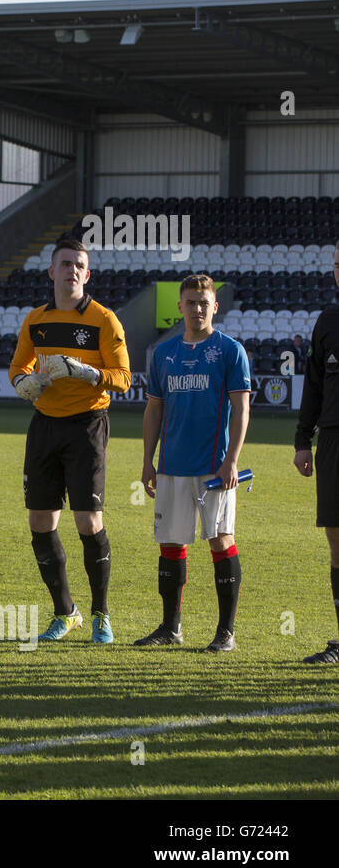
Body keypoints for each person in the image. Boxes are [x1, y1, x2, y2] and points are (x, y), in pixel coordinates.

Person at [9, 238, 131, 643]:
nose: (72, 270)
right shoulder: (36, 320)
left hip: (87, 426)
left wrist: (88, 373)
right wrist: (25, 382)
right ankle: (66, 612)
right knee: (40, 522)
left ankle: (101, 614)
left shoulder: (104, 319)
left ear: (87, 273)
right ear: (52, 271)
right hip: (44, 425)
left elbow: (124, 379)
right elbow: (17, 368)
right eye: (65, 264)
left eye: (79, 265)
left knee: (88, 521)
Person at [138, 274, 250, 652]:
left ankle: (226, 633)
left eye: (204, 302)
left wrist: (232, 460)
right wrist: (147, 461)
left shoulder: (230, 351)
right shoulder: (164, 354)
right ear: (180, 306)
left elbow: (241, 409)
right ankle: (170, 627)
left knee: (220, 541)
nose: (197, 308)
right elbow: (154, 409)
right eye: (191, 302)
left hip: (214, 468)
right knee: (170, 543)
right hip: (171, 465)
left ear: (215, 306)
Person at [293, 242, 339, 664]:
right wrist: (302, 440)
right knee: (336, 538)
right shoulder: (327, 321)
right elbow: (314, 385)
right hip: (333, 442)